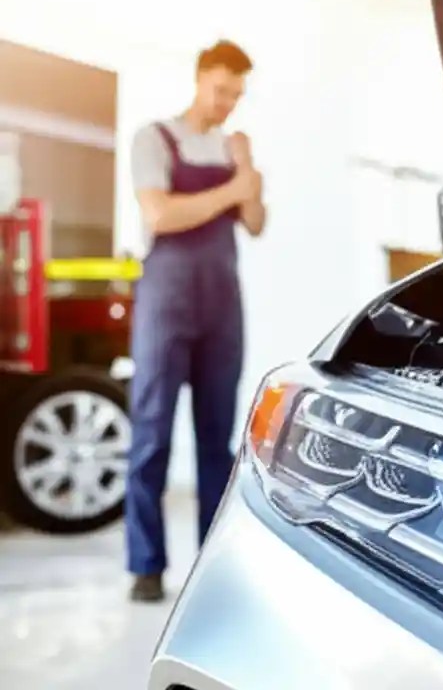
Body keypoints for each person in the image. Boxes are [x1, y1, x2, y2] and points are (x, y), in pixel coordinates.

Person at [125, 39, 266, 602]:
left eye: (237, 94)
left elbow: (254, 221)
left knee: (218, 440)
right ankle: (145, 566)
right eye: (221, 90)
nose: (227, 103)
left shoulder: (234, 149)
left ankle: (211, 566)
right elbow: (160, 212)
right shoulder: (154, 137)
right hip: (166, 300)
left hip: (221, 305)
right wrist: (233, 186)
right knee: (152, 431)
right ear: (200, 78)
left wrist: (247, 165)